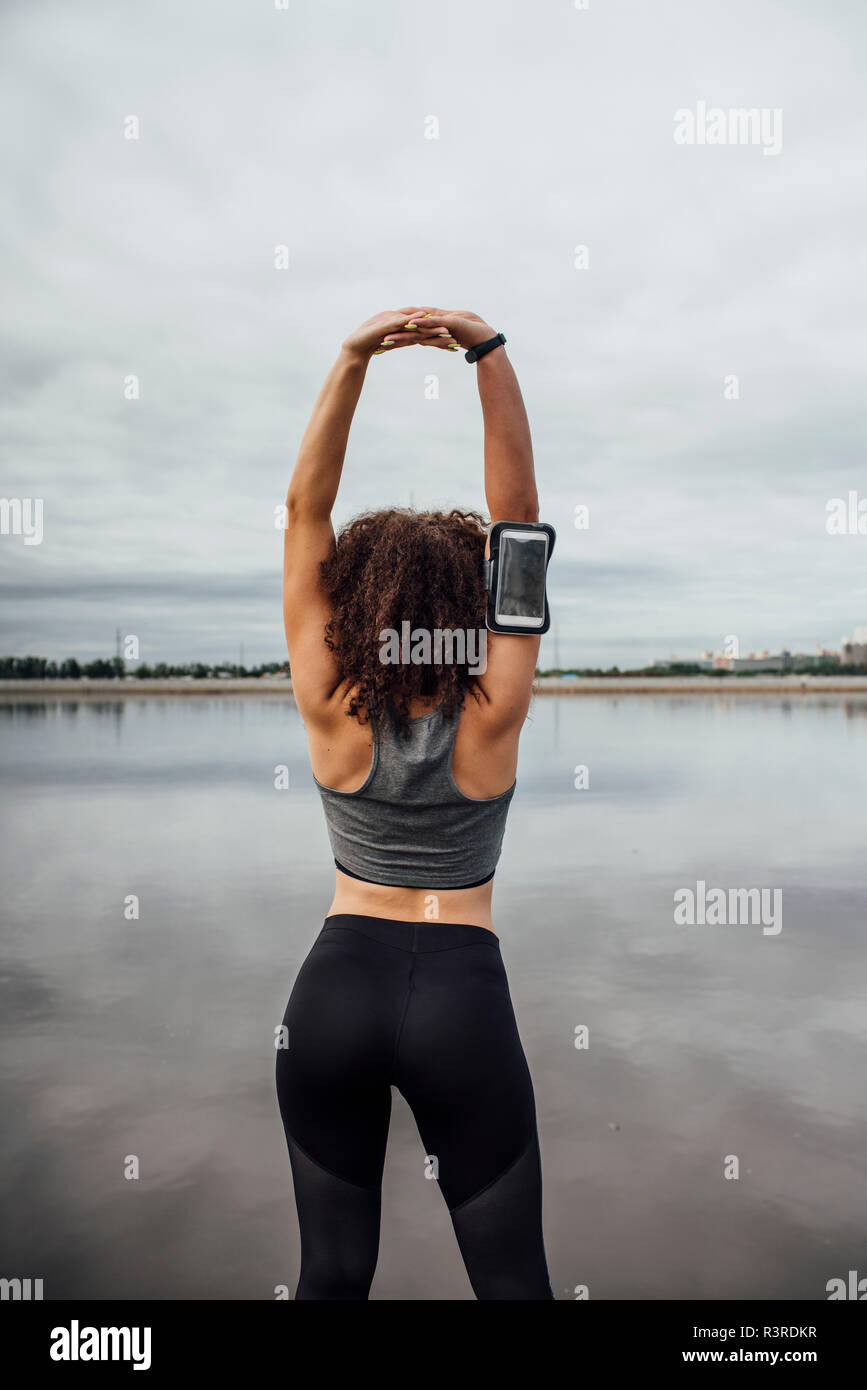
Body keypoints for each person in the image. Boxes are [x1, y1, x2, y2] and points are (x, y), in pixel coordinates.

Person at [276, 306, 554, 1300]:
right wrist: (488, 352)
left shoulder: (327, 694)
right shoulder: (496, 704)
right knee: (514, 1283)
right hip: (463, 997)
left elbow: (306, 513)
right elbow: (518, 510)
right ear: (468, 610)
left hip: (332, 993)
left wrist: (351, 357)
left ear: (354, 600)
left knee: (331, 1276)